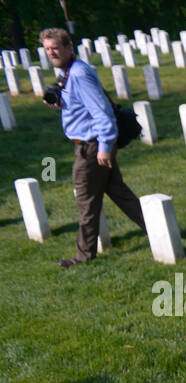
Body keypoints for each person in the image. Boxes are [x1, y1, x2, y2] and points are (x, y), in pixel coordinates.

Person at [39, 27, 147, 268]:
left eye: (55, 47)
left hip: (92, 148)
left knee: (86, 202)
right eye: (47, 49)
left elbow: (103, 113)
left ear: (68, 47)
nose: (51, 52)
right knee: (119, 192)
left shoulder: (78, 74)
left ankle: (84, 256)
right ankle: (158, 228)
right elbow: (84, 106)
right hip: (91, 143)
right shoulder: (68, 71)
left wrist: (105, 147)